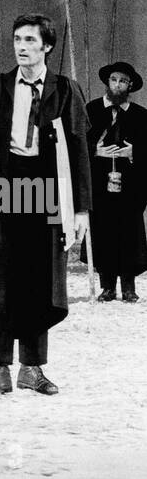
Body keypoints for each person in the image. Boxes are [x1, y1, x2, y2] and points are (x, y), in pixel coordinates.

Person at [0, 14, 91, 396]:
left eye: (31, 40)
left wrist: (80, 209)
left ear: (47, 46)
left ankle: (32, 368)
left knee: (40, 278)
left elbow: (79, 151)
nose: (22, 46)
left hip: (47, 191)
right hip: (2, 188)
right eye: (18, 39)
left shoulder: (66, 91)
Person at [81, 61, 147, 303]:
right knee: (104, 232)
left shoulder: (141, 115)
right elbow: (78, 146)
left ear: (130, 85)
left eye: (123, 81)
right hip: (100, 186)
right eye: (114, 80)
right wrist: (97, 152)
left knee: (128, 233)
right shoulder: (91, 110)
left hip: (130, 187)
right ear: (108, 83)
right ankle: (107, 286)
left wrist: (132, 154)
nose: (117, 85)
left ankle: (129, 287)